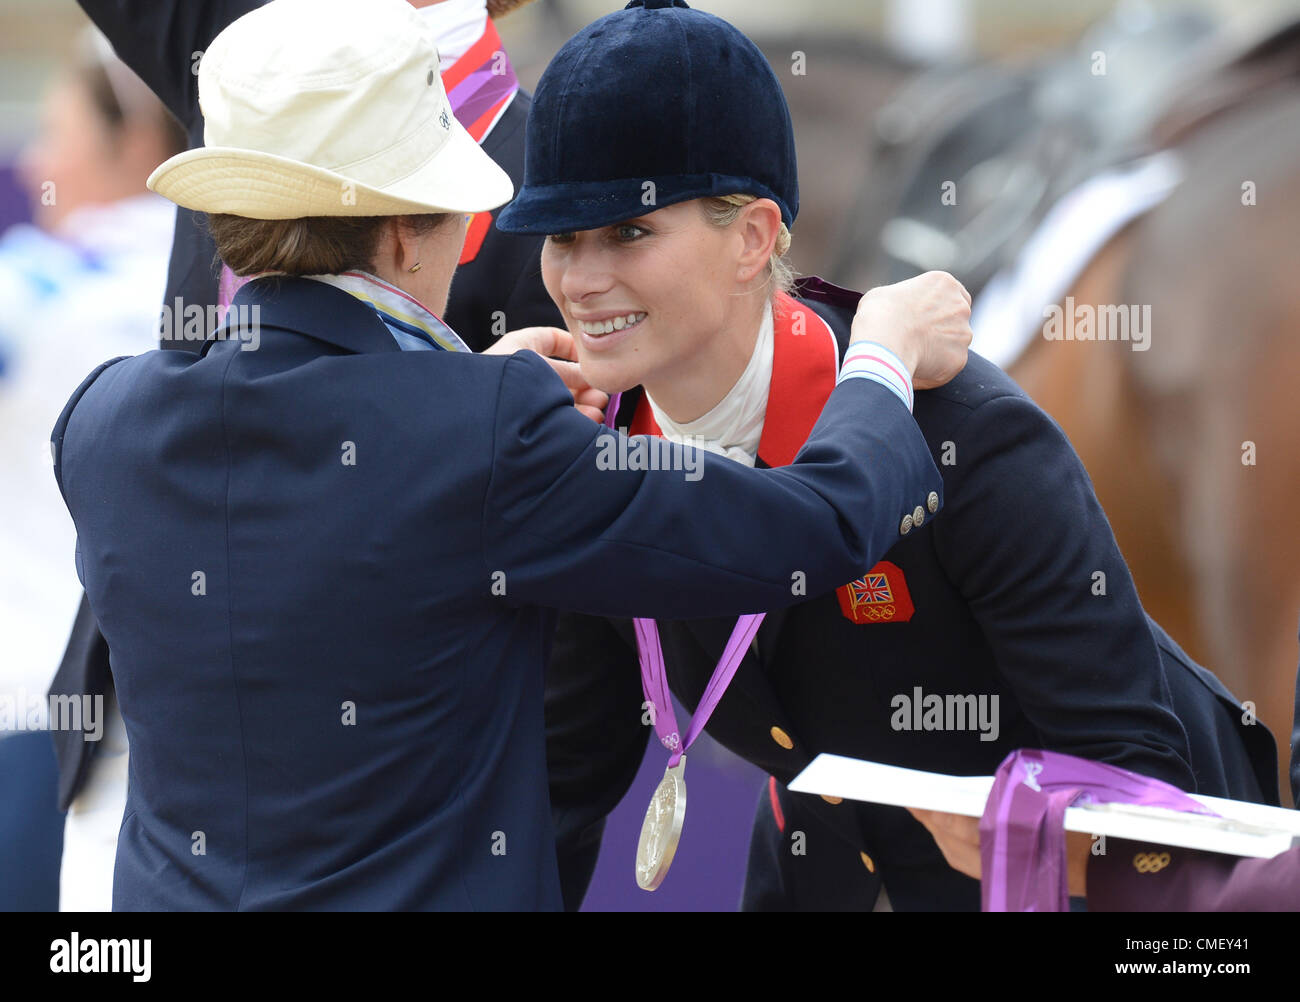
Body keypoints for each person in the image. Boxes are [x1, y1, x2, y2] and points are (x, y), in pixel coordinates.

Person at [50, 0, 970, 910]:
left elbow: (325, 498)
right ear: (408, 227)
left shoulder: (98, 423)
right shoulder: (483, 437)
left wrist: (464, 394)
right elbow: (821, 526)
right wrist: (882, 354)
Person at [500, 0, 1279, 912]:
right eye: (562, 237)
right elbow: (565, 780)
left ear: (753, 237)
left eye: (629, 233)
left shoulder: (968, 433)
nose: (581, 281)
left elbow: (1138, 804)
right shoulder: (597, 450)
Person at [49, 0, 560, 911]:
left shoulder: (560, 164)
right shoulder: (263, 62)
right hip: (141, 769)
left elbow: (573, 622)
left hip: (388, 829)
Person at [0, 29, 184, 910]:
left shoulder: (47, 285)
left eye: (55, 131)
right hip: (162, 724)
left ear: (137, 145)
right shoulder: (245, 291)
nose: (34, 160)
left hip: (28, 710)